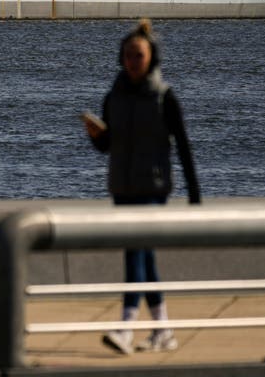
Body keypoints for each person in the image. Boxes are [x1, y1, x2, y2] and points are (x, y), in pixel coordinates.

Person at [83, 18, 200, 355]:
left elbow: (183, 145)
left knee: (135, 252)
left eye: (139, 55)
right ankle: (163, 330)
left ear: (153, 58)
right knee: (144, 259)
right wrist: (96, 137)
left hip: (153, 187)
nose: (133, 61)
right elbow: (107, 147)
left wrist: (194, 194)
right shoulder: (113, 97)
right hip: (122, 187)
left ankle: (124, 327)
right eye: (128, 55)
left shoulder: (164, 97)